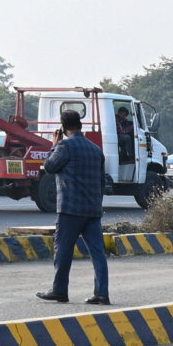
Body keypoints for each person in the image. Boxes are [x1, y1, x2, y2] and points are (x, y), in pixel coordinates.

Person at [34, 108, 109, 306]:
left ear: (63, 126)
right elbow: (102, 183)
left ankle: (59, 290)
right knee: (98, 253)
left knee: (63, 250)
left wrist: (54, 145)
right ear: (80, 125)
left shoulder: (65, 147)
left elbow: (49, 166)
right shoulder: (96, 150)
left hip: (70, 209)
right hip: (92, 210)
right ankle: (102, 293)